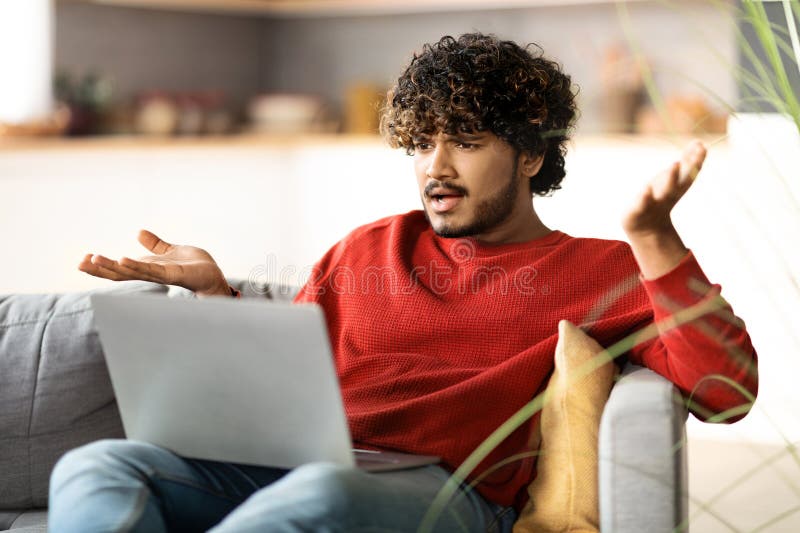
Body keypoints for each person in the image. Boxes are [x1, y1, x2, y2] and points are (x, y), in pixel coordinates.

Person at [49, 33, 758, 532]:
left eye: (467, 142)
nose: (435, 167)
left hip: (447, 493)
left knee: (326, 493)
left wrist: (654, 237)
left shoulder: (605, 269)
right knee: (101, 466)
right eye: (422, 142)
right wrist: (214, 298)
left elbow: (726, 395)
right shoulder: (366, 248)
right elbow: (278, 390)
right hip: (301, 468)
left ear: (532, 156)